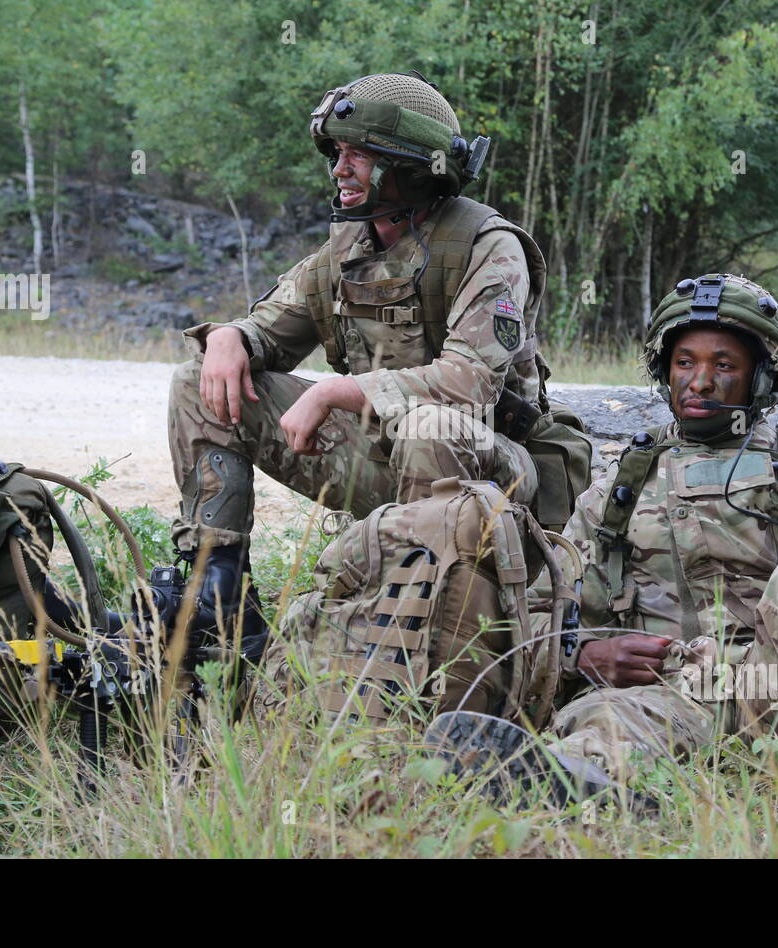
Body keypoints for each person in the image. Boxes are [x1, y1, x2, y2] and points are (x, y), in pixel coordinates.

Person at [426, 273, 778, 857]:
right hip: (667, 695)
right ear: (665, 369)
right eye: (685, 361)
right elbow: (540, 610)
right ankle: (577, 791)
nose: (701, 382)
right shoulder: (626, 483)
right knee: (603, 732)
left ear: (761, 376)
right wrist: (580, 653)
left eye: (724, 365)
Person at [166, 72, 587, 649]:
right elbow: (264, 332)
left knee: (429, 424)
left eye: (360, 155)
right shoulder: (349, 248)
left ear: (415, 166)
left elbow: (469, 383)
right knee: (200, 381)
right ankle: (217, 604)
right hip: (387, 459)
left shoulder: (487, 246)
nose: (340, 169)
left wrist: (333, 392)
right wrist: (227, 339)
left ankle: (412, 624)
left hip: (495, 481)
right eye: (338, 152)